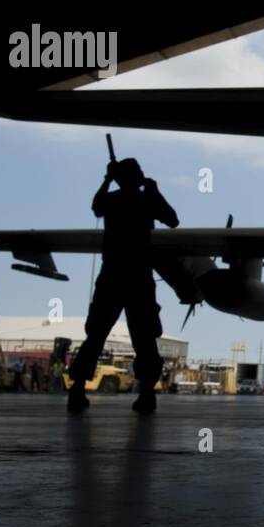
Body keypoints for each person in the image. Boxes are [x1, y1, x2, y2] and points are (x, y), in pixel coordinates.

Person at [67, 157, 178, 414]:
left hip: (112, 275)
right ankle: (147, 393)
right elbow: (172, 220)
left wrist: (107, 178)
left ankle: (77, 389)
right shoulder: (146, 200)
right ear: (135, 176)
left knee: (95, 335)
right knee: (144, 337)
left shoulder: (112, 200)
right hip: (139, 277)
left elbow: (96, 206)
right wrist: (155, 192)